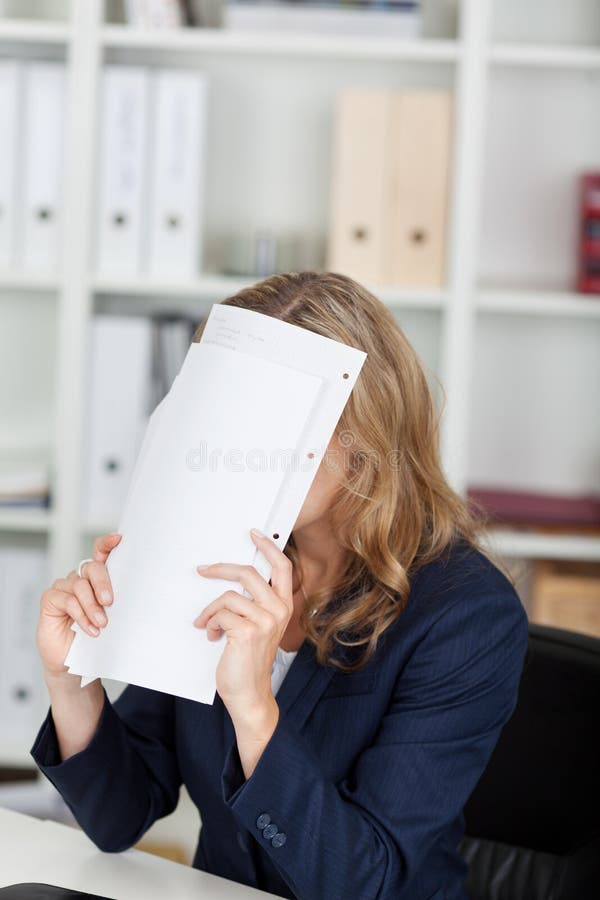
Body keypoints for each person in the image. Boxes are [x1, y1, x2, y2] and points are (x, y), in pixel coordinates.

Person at [31, 271, 529, 900]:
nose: (243, 447)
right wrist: (71, 679)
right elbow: (119, 818)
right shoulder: (214, 553)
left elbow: (361, 881)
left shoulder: (468, 615)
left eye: (280, 421)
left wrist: (254, 710)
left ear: (368, 434)